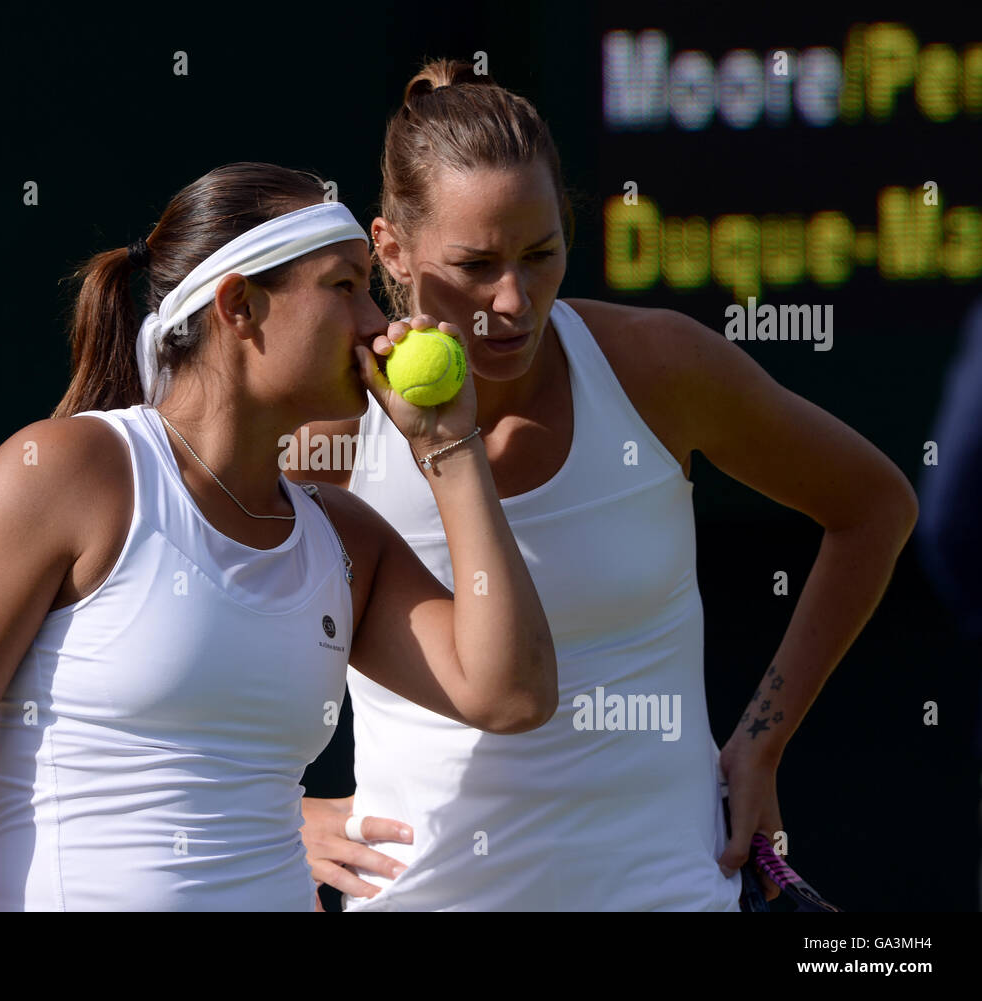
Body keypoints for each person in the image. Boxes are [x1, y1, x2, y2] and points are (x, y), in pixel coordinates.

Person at [293, 61, 919, 911]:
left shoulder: (659, 367)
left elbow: (874, 505)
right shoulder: (323, 428)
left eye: (541, 253)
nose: (513, 299)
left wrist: (760, 743)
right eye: (475, 264)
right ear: (391, 252)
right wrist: (275, 808)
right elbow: (156, 626)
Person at [0, 161, 556, 911]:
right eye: (344, 286)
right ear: (241, 306)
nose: (378, 325)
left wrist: (450, 454)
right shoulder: (68, 472)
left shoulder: (343, 538)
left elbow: (513, 692)